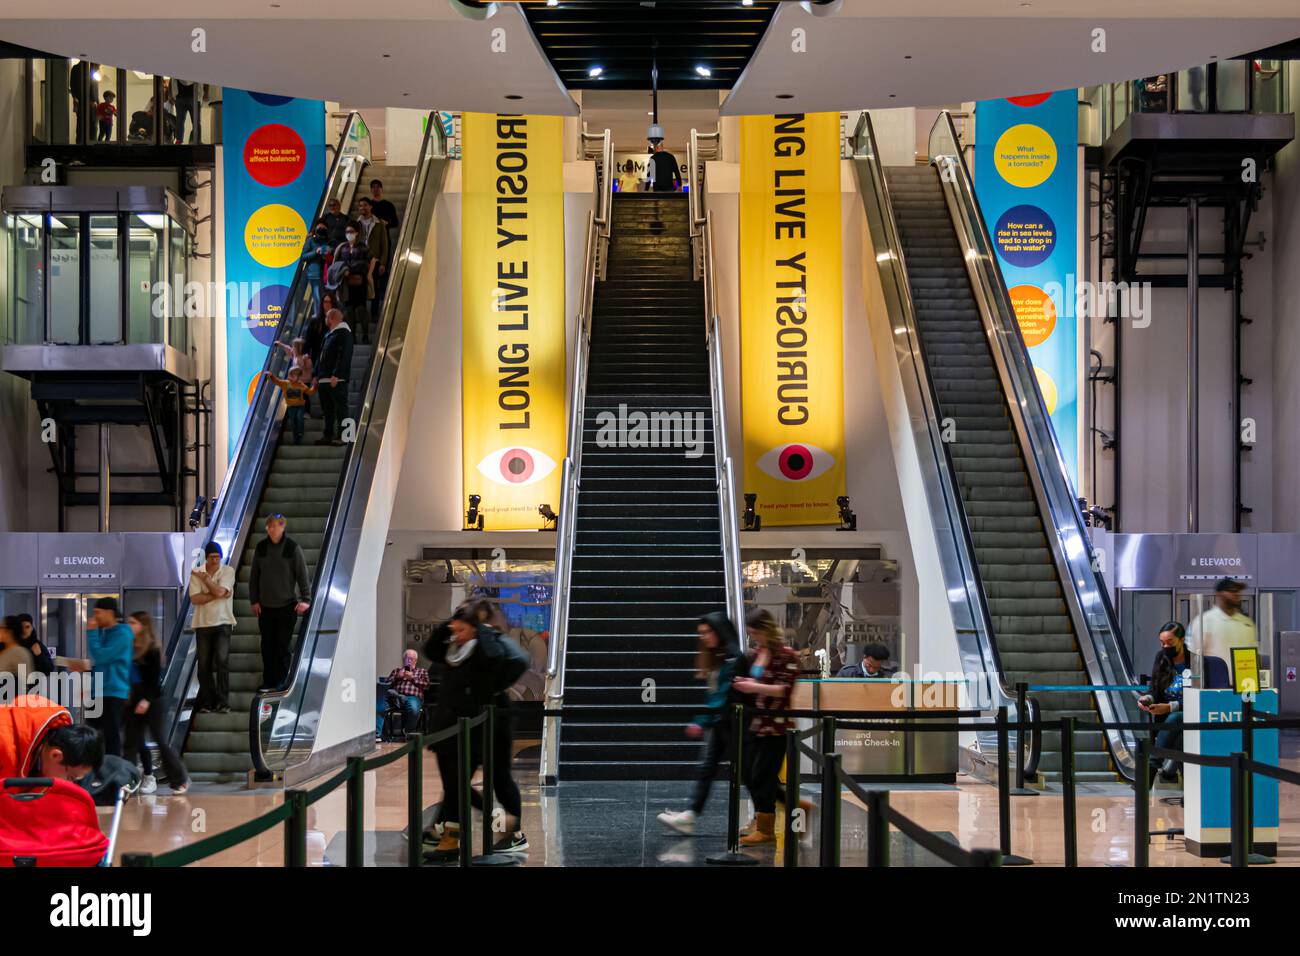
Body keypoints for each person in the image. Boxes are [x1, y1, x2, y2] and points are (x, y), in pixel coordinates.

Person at [424, 600, 529, 856]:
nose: (456, 636)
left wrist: (480, 628)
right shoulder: (452, 651)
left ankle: (513, 831)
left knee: (498, 778)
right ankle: (449, 836)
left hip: (489, 724)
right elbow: (430, 649)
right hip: (458, 725)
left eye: (462, 631)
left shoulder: (486, 647)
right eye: (454, 630)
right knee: (455, 784)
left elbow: (496, 659)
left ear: (475, 629)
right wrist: (451, 623)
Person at [657, 612, 743, 835]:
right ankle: (691, 814)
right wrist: (704, 720)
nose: (704, 638)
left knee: (749, 775)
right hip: (720, 723)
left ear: (719, 631)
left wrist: (702, 720)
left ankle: (793, 806)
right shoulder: (719, 658)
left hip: (732, 724)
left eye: (707, 632)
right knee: (707, 769)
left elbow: (722, 697)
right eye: (701, 634)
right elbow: (715, 696)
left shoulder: (732, 659)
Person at [730, 607, 800, 846]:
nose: (753, 638)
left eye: (756, 633)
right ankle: (773, 817)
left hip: (776, 725)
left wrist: (754, 687)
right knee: (753, 775)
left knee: (763, 776)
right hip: (756, 723)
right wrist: (748, 683)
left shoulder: (787, 656)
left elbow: (784, 689)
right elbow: (760, 682)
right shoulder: (757, 653)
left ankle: (766, 829)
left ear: (765, 630)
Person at [123, 611, 190, 795]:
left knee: (160, 741)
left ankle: (179, 779)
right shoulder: (130, 647)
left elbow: (154, 680)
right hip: (133, 699)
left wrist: (146, 701)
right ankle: (126, 781)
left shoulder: (151, 649)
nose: (129, 626)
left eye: (133, 622)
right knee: (131, 742)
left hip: (151, 700)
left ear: (142, 626)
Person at [249, 514, 311, 691]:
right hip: (265, 608)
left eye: (274, 526)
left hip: (286, 607)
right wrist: (254, 600)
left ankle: (282, 681)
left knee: (282, 646)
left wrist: (306, 599)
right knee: (267, 646)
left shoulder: (292, 548)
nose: (271, 529)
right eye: (268, 526)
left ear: (282, 527)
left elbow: (302, 575)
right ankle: (269, 681)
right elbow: (254, 577)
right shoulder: (261, 548)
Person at [0, 695, 103, 781]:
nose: (68, 784)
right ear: (55, 755)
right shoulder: (5, 742)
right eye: (70, 778)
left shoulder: (36, 748)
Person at [83, 597, 133, 758]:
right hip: (98, 690)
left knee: (111, 736)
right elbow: (102, 664)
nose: (95, 616)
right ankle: (93, 772)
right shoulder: (105, 632)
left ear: (109, 613)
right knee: (92, 735)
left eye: (98, 612)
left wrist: (92, 632)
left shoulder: (123, 634)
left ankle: (114, 773)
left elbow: (101, 655)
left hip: (113, 692)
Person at [1138, 622, 1188, 784]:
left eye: (1170, 642)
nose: (1165, 646)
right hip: (1167, 721)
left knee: (1175, 718)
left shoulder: (1195, 662)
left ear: (1182, 640)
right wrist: (1147, 699)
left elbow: (1199, 699)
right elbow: (1154, 689)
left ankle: (1151, 767)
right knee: (1179, 741)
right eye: (1162, 643)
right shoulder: (1161, 658)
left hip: (1190, 715)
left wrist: (1170, 707)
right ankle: (1192, 790)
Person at [190, 542, 236, 714]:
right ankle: (208, 701)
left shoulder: (228, 571)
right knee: (204, 665)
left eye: (218, 557)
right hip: (202, 624)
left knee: (222, 661)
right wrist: (217, 593)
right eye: (212, 557)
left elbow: (218, 592)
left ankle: (223, 702)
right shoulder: (196, 573)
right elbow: (195, 599)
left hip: (223, 622)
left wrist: (207, 581)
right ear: (206, 558)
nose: (216, 560)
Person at [1187, 578, 1258, 689]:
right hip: (1214, 688)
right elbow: (1195, 659)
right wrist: (1196, 689)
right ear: (1219, 594)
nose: (1236, 594)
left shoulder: (1247, 623)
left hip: (1244, 687)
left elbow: (1253, 656)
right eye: (1232, 591)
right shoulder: (1203, 621)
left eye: (1238, 591)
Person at [314, 308, 354, 447]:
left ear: (331, 318)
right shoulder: (329, 335)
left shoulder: (344, 333)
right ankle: (328, 434)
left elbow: (344, 355)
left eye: (326, 317)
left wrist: (337, 374)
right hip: (324, 378)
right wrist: (316, 374)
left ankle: (346, 436)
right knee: (328, 409)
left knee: (341, 408)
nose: (325, 320)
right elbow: (321, 356)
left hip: (336, 379)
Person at [355, 197, 389, 343]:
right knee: (360, 288)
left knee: (374, 286)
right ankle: (361, 313)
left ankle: (374, 313)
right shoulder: (356, 224)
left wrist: (383, 262)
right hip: (359, 260)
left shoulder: (379, 224)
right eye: (360, 206)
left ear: (370, 207)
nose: (362, 208)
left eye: (365, 205)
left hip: (374, 260)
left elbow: (384, 244)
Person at [379, 649, 430, 738]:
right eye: (407, 658)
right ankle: (380, 735)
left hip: (412, 697)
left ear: (416, 661)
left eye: (412, 658)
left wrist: (412, 678)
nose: (409, 660)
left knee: (413, 710)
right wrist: (397, 677)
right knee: (380, 704)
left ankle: (408, 731)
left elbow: (426, 685)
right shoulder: (396, 671)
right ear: (403, 659)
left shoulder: (422, 671)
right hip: (395, 697)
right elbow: (386, 686)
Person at [334, 223, 371, 344]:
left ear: (356, 233)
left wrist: (350, 268)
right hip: (346, 284)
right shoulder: (342, 247)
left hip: (359, 282)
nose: (349, 234)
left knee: (361, 308)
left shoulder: (362, 247)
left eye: (351, 231)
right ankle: (352, 335)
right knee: (349, 310)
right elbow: (337, 263)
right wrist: (343, 270)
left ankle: (365, 334)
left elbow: (365, 263)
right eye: (347, 232)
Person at [268, 366, 316, 445]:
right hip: (291, 407)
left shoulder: (301, 385)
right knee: (293, 423)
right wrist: (271, 376)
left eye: (294, 376)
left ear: (298, 377)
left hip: (300, 406)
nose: (291, 377)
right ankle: (295, 437)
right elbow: (277, 381)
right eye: (291, 375)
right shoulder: (285, 383)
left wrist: (314, 386)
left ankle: (300, 433)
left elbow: (310, 392)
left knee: (299, 418)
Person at [300, 221, 332, 316]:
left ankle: (317, 317)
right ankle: (290, 323)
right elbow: (303, 256)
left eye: (323, 229)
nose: (321, 231)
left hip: (321, 274)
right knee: (299, 296)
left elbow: (333, 253)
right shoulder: (310, 240)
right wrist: (315, 252)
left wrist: (329, 251)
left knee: (317, 297)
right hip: (309, 271)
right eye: (319, 229)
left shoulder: (329, 242)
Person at [368, 179, 400, 259]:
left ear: (382, 189)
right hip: (371, 237)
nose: (376, 189)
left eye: (378, 187)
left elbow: (395, 222)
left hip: (385, 236)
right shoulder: (368, 205)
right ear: (371, 190)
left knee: (384, 260)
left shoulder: (388, 205)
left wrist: (387, 223)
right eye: (373, 187)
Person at [16, 614, 54, 678]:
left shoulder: (37, 645)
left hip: (33, 686)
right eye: (21, 627)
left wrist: (39, 655)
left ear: (32, 628)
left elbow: (49, 669)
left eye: (27, 627)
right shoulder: (11, 644)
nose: (24, 630)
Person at [173, 79, 206, 144]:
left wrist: (172, 95)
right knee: (195, 121)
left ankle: (180, 140)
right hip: (189, 97)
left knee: (180, 121)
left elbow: (172, 81)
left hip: (183, 97)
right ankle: (196, 140)